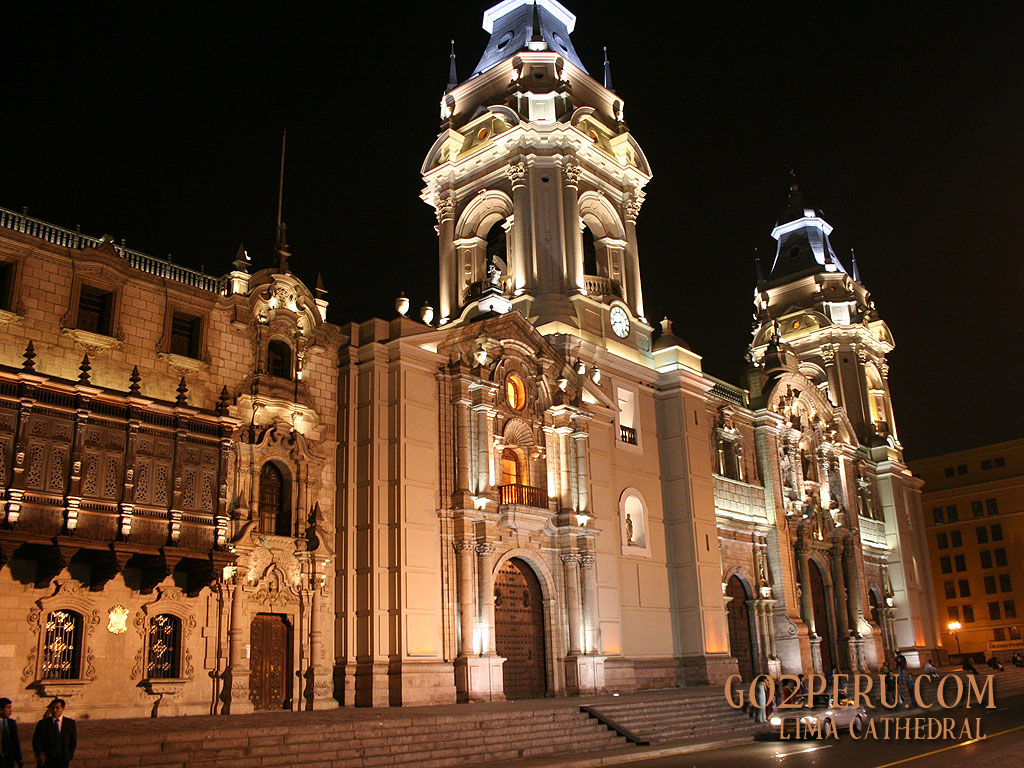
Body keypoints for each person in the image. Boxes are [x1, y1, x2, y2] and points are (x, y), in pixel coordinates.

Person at [32, 699, 76, 768]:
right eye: (52, 708)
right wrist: (40, 754)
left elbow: (73, 741)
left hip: (63, 759)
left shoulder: (70, 723)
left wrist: (69, 755)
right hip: (47, 759)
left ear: (62, 709)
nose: (55, 710)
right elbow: (36, 740)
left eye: (57, 708)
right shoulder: (43, 724)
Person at [1, 697, 23, 768]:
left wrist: (19, 759)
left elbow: (15, 742)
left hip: (9, 759)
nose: (10, 710)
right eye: (8, 708)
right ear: (1, 710)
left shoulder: (12, 723)